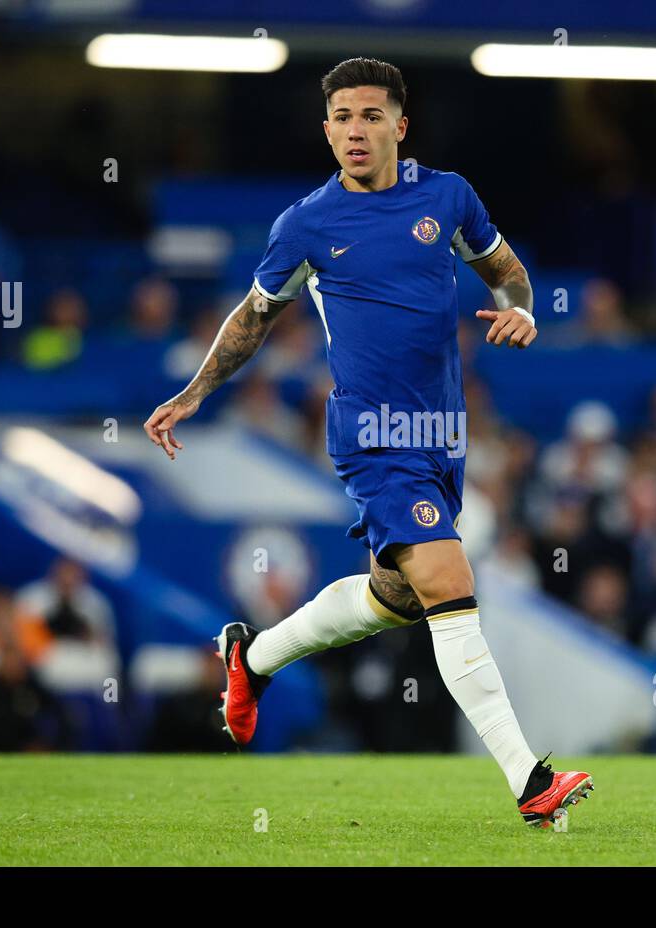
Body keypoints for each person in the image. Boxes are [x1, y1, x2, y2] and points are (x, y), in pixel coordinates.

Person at [143, 57, 592, 827]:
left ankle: (250, 659)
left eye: (370, 116)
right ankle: (529, 781)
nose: (355, 130)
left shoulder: (448, 197)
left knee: (396, 599)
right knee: (449, 581)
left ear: (399, 126)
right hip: (371, 438)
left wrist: (522, 309)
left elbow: (509, 276)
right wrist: (194, 393)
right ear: (326, 129)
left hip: (441, 437)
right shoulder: (307, 224)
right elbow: (253, 319)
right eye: (342, 117)